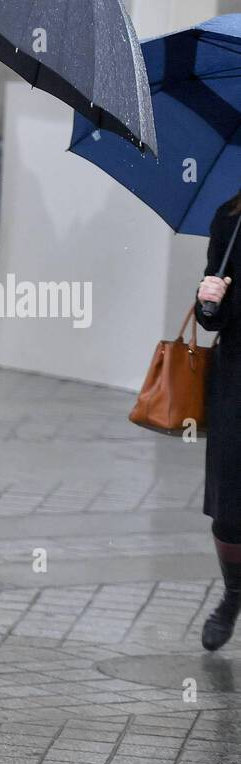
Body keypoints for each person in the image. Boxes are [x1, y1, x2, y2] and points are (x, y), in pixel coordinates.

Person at [196, 192, 241, 651]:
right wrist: (208, 301)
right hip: (237, 381)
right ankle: (233, 595)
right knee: (230, 511)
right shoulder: (231, 218)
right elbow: (212, 317)